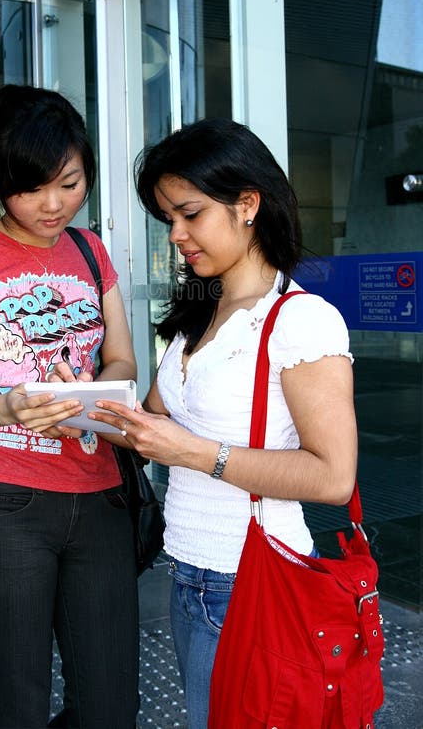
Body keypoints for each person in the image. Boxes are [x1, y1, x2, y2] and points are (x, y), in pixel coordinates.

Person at [88, 119, 358, 729]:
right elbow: (153, 425)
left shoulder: (300, 321)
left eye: (190, 214)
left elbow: (333, 477)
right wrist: (76, 407)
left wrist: (192, 452)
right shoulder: (199, 312)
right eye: (168, 219)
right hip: (189, 572)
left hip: (257, 580)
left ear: (248, 205)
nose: (176, 234)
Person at [0, 85, 139, 729]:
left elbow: (122, 361)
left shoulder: (90, 251)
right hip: (4, 504)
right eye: (31, 188)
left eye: (69, 183)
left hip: (100, 498)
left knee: (110, 705)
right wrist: (10, 409)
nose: (52, 204)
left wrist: (89, 393)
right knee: (19, 705)